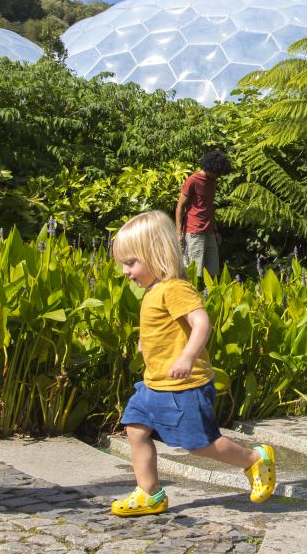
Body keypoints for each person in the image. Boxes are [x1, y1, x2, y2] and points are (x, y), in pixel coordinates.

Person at [110, 210, 275, 517]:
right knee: (135, 428)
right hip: (154, 384)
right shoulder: (153, 291)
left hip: (183, 386)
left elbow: (201, 324)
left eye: (131, 262)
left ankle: (254, 458)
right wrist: (146, 341)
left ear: (155, 255)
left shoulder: (175, 288)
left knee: (199, 444)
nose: (125, 270)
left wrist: (186, 357)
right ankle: (150, 494)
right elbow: (164, 327)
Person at [175, 149, 231, 282]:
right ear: (210, 167)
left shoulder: (212, 182)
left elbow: (209, 208)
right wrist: (178, 233)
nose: (218, 176)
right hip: (194, 232)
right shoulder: (192, 180)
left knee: (212, 272)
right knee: (195, 273)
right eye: (217, 173)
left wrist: (216, 231)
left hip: (209, 232)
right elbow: (180, 207)